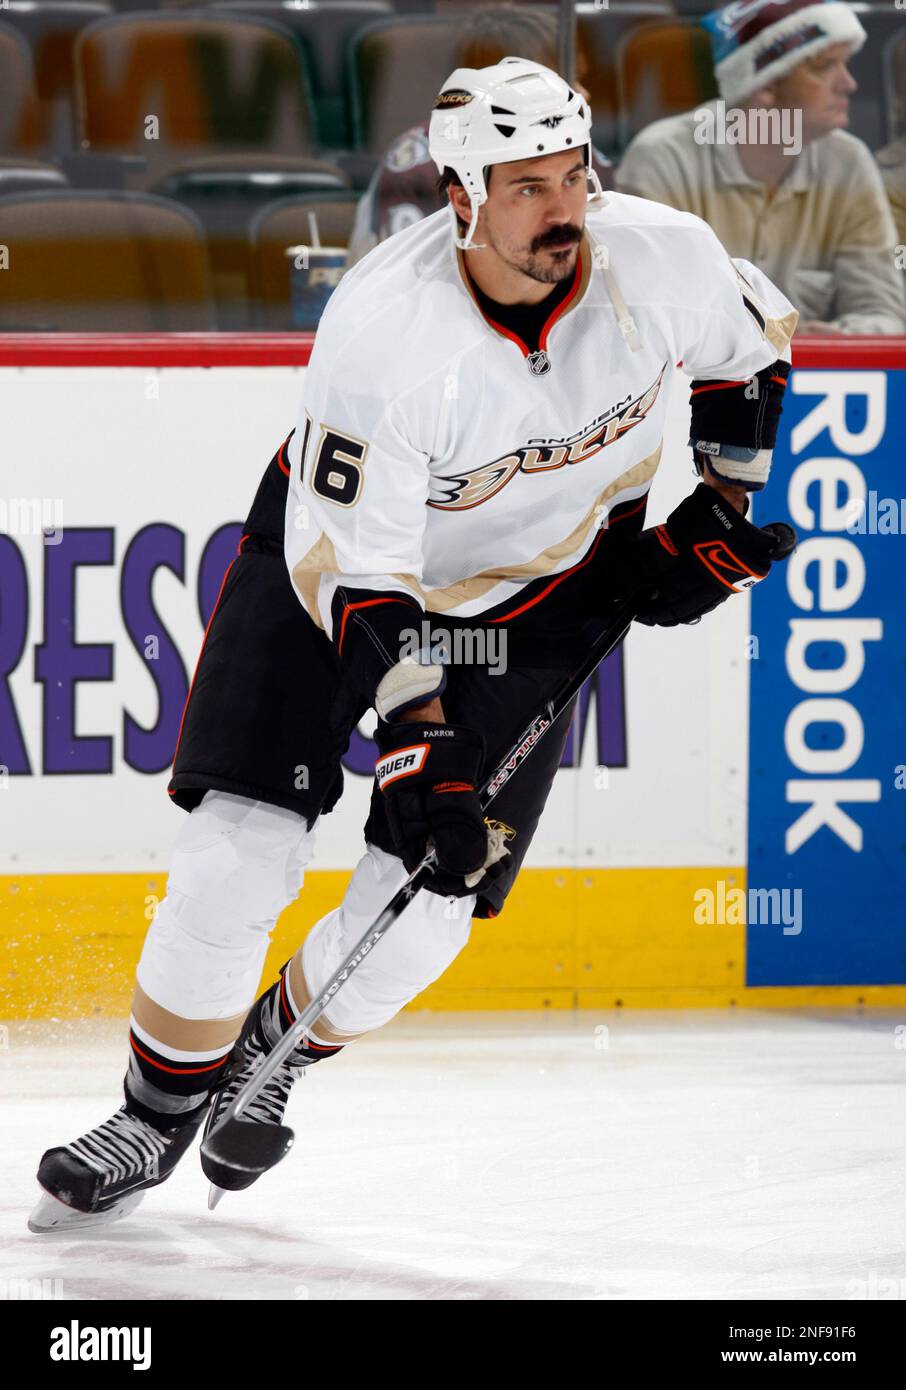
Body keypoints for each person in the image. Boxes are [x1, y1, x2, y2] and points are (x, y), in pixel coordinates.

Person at [30, 56, 798, 1232]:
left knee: (429, 912)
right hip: (332, 581)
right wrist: (419, 740)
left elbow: (754, 354)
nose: (563, 209)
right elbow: (366, 583)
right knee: (237, 854)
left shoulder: (666, 260)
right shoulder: (386, 336)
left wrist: (721, 507)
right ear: (461, 195)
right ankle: (152, 1114)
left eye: (574, 175)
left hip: (541, 598)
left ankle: (263, 1059)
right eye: (527, 185)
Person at [616, 0, 905, 335]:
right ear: (764, 84)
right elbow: (650, 322)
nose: (848, 84)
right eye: (825, 67)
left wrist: (835, 345)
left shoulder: (849, 163)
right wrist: (784, 347)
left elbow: (883, 315)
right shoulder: (663, 161)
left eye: (845, 65)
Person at [345, 4, 612, 267]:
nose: (582, 93)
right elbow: (400, 277)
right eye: (562, 83)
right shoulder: (422, 162)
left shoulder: (583, 154)